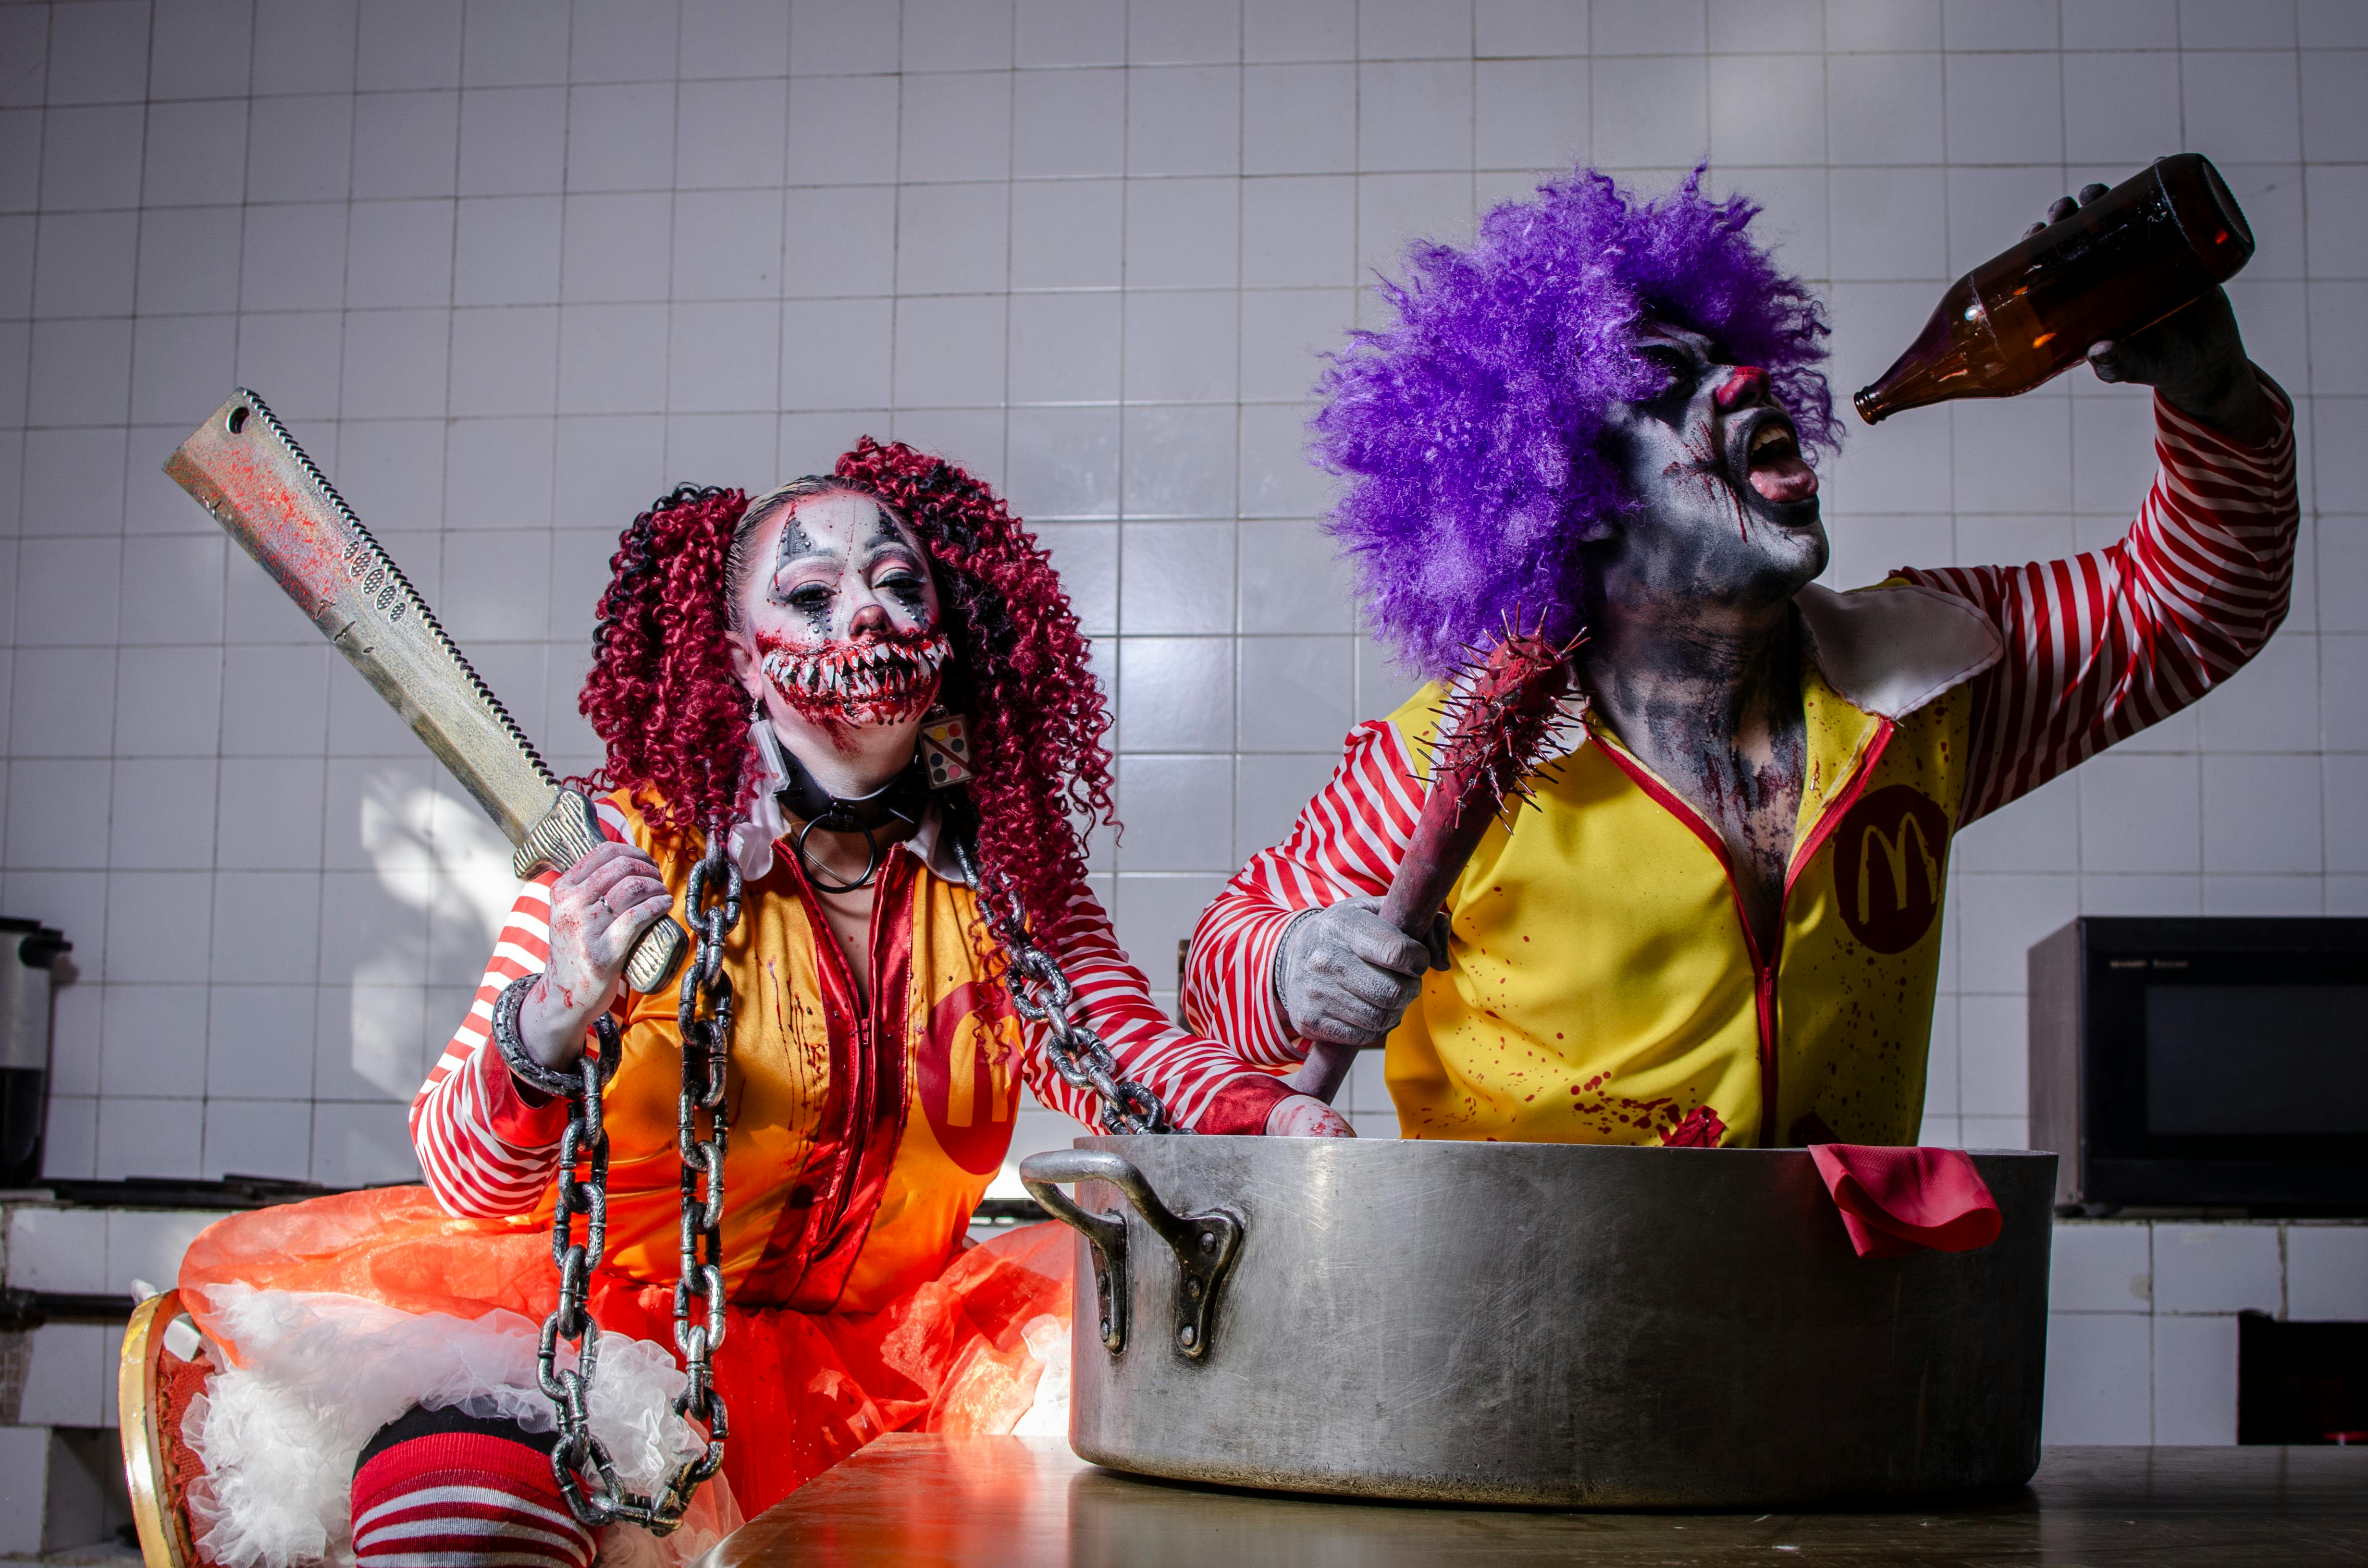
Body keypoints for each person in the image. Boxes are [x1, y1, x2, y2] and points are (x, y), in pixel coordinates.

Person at [174, 440, 1347, 1568]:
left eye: (899, 584)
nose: (870, 614)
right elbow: (465, 1176)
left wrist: (1268, 1117)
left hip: (910, 1354)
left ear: (950, 636)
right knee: (459, 1499)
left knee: (1141, 1455)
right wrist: (558, 1008)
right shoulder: (629, 846)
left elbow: (1130, 1062)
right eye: (813, 593)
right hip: (637, 1333)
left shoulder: (1009, 877)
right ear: (737, 654)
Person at [1184, 168, 2295, 1150]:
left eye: (1737, 356)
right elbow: (1217, 964)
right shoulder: (1459, 748)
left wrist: (2215, 399)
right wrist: (1293, 964)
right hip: (1532, 1330)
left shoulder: (1929, 673)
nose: (1743, 381)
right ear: (1564, 491)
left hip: (1828, 1332)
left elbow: (2193, 609)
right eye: (1665, 375)